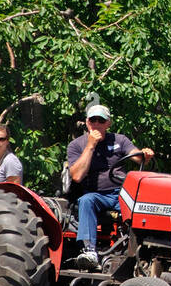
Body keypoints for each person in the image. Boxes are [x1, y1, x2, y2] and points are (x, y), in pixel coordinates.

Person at [66, 104, 154, 270]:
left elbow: (137, 157)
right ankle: (89, 251)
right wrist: (91, 145)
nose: (96, 124)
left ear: (108, 123)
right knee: (86, 200)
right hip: (96, 195)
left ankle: (145, 249)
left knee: (144, 201)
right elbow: (77, 176)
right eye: (93, 120)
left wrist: (145, 154)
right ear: (87, 122)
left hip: (121, 194)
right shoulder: (76, 145)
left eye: (101, 120)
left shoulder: (119, 140)